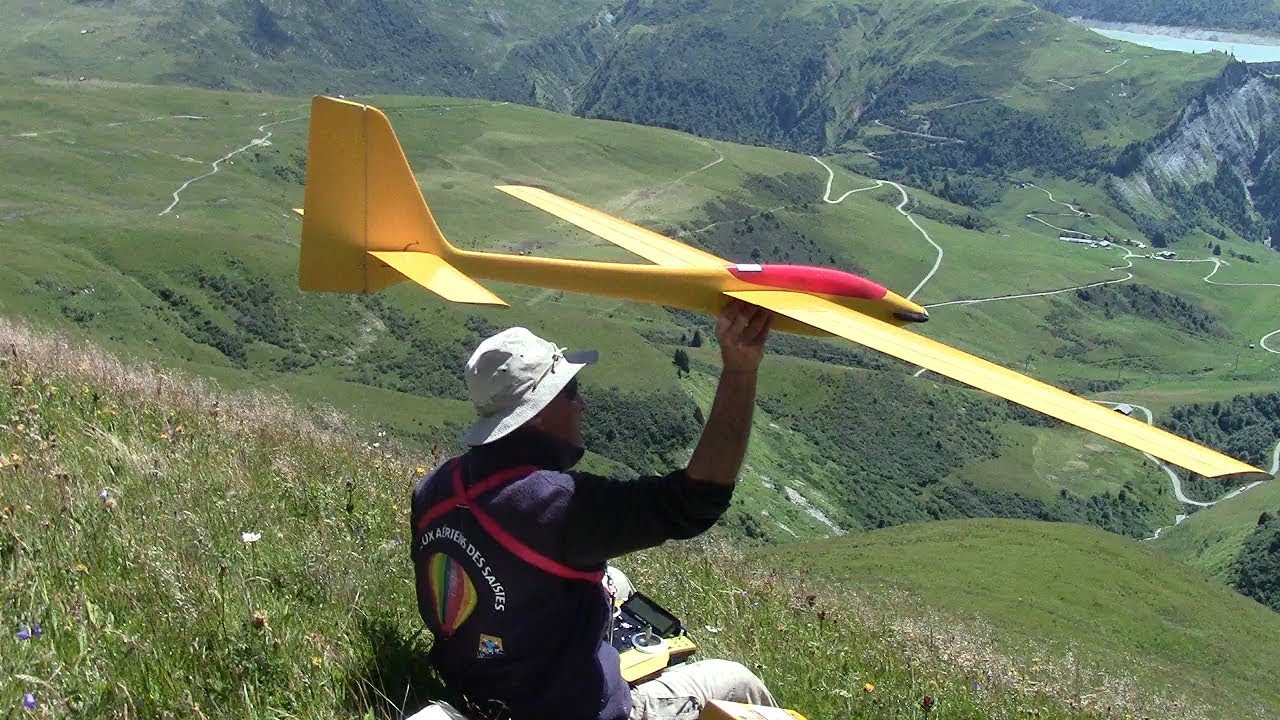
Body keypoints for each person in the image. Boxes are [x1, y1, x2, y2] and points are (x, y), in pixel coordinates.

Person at [410, 299, 776, 720]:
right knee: (735, 682)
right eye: (571, 392)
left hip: (477, 693)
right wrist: (741, 369)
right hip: (568, 710)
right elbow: (696, 502)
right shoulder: (559, 505)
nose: (581, 404)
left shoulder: (433, 487)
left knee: (613, 580)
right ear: (539, 414)